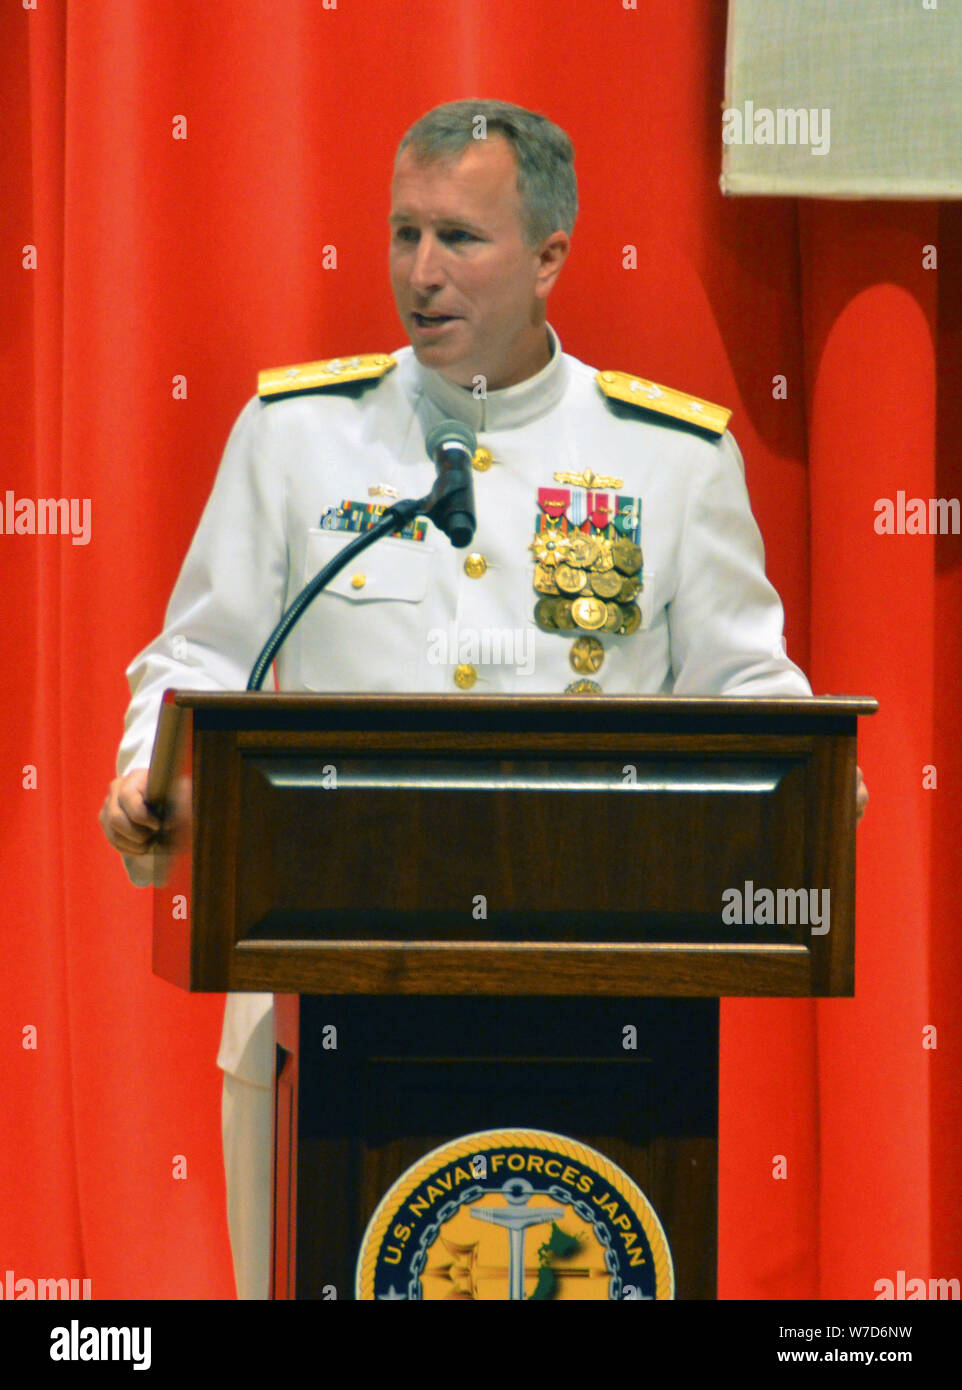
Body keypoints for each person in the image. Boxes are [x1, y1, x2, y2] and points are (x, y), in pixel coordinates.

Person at [99, 98, 868, 1299]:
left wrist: (814, 785)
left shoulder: (666, 458)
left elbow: (745, 686)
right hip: (318, 986)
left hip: (604, 1000)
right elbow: (198, 661)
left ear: (551, 255)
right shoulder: (298, 437)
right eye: (402, 232)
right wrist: (152, 773)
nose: (419, 273)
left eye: (458, 238)